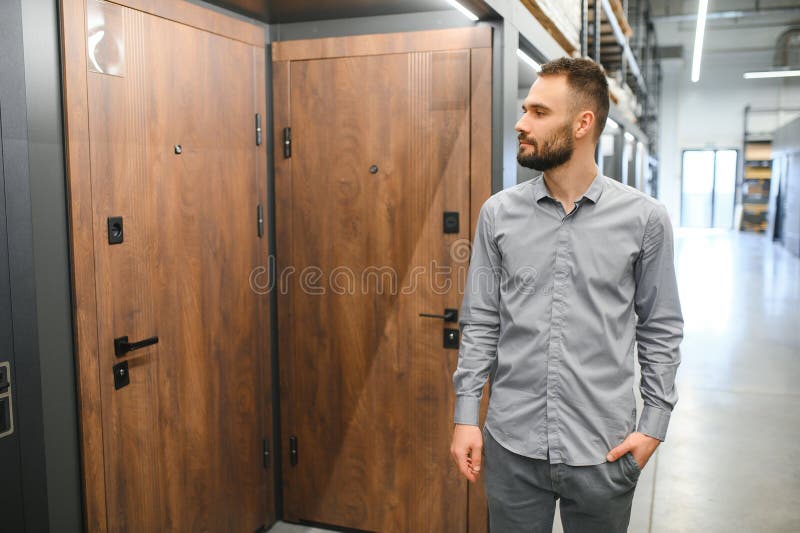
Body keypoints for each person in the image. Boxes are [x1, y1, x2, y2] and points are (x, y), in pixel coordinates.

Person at [449, 57, 683, 532]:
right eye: (525, 109)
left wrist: (652, 426)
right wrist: (466, 416)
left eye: (538, 112)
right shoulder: (498, 214)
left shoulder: (644, 219)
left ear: (582, 123)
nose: (521, 123)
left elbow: (660, 327)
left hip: (604, 448)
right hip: (512, 444)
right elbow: (480, 321)